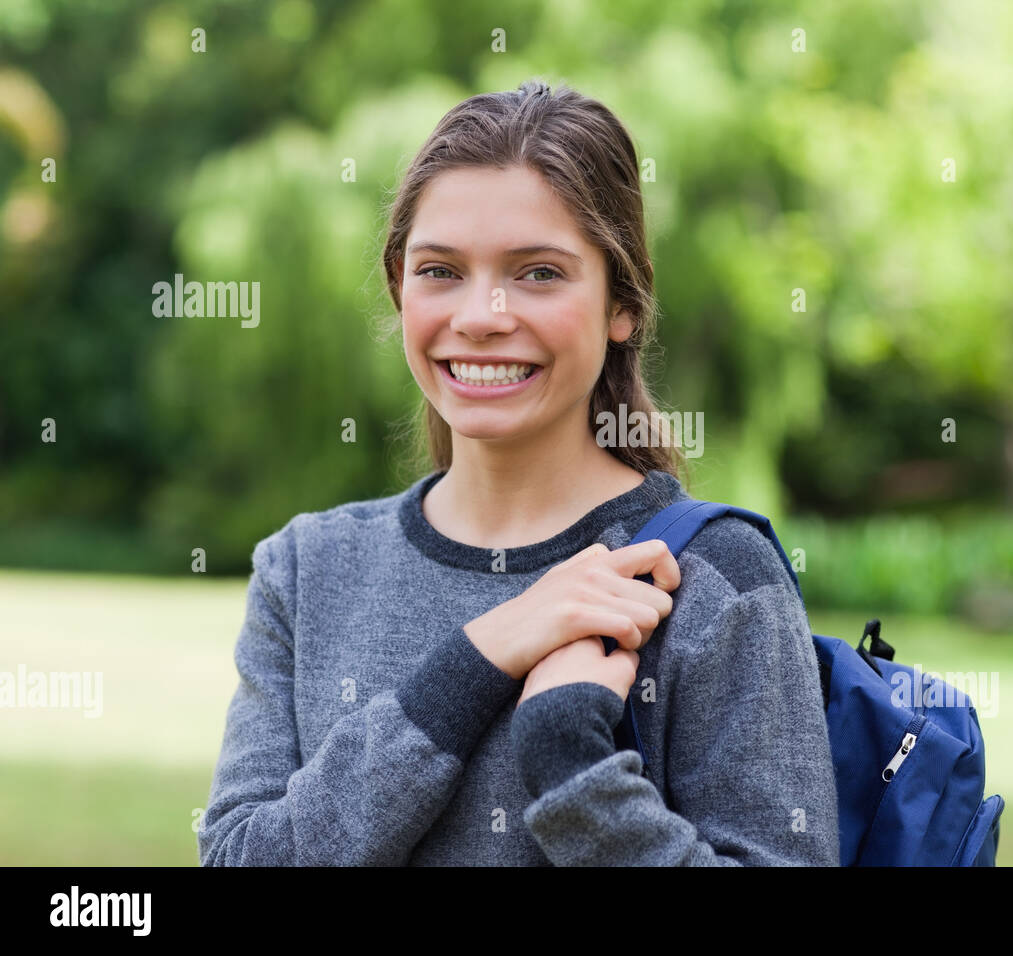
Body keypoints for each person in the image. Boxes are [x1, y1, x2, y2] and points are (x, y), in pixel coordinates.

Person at [198, 79, 838, 866]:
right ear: (399, 286)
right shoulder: (305, 570)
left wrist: (569, 758)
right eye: (440, 270)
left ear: (622, 304)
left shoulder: (714, 577)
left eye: (538, 272)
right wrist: (478, 659)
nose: (481, 314)